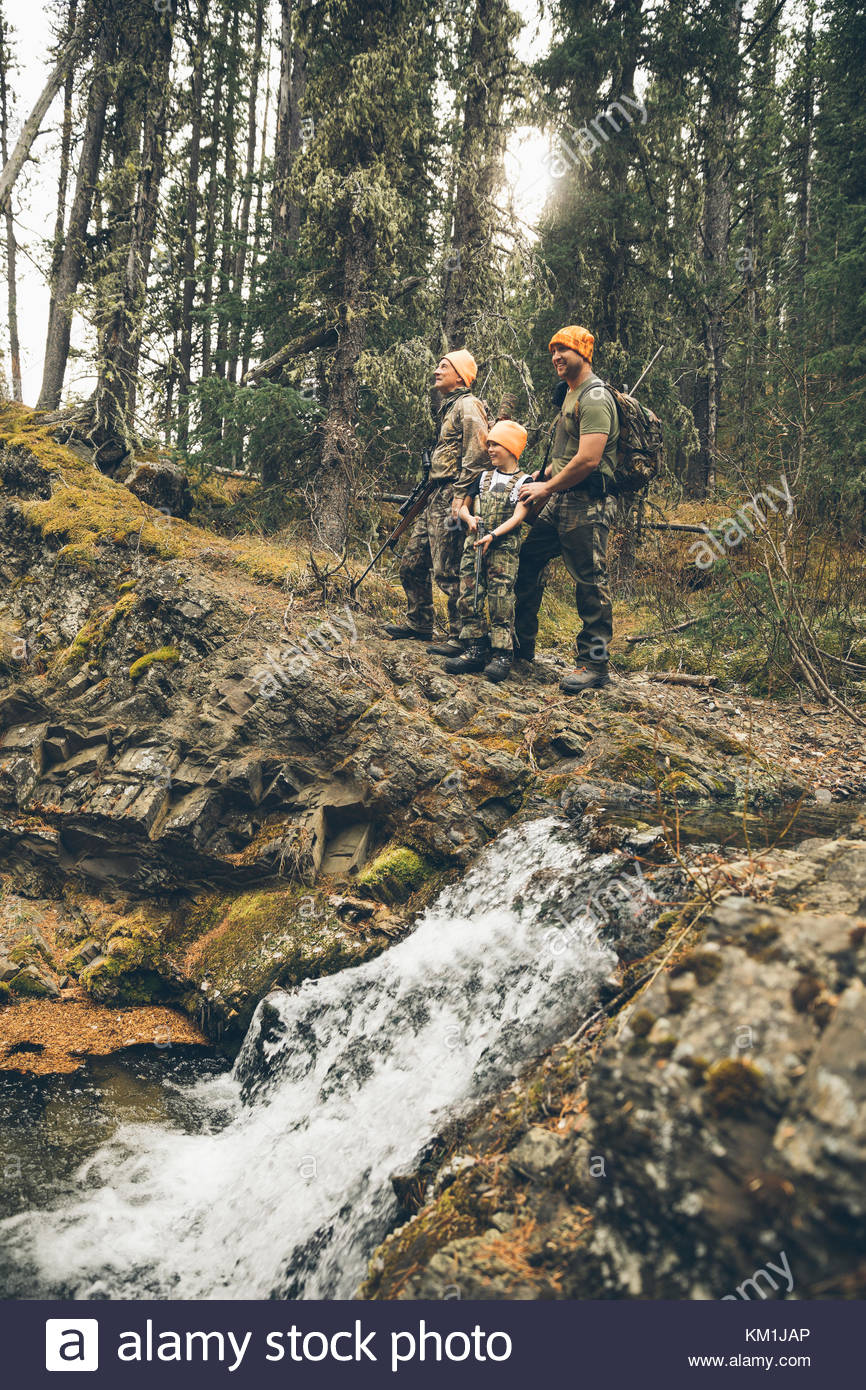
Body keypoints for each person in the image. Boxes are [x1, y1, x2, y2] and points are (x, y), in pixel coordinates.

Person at [515, 325, 618, 693]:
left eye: (564, 350)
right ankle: (520, 645)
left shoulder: (594, 397)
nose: (556, 357)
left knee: (590, 582)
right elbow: (565, 457)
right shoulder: (570, 396)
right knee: (526, 560)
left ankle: (595, 666)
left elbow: (588, 459)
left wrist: (547, 486)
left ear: (584, 354)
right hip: (560, 499)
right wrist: (538, 477)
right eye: (553, 350)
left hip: (587, 503)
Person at [383, 351, 489, 656]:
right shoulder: (451, 407)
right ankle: (419, 622)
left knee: (448, 569)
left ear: (461, 374)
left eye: (444, 367)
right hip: (435, 495)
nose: (436, 371)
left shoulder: (468, 406)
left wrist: (461, 497)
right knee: (413, 563)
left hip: (452, 497)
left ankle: (462, 636)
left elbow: (478, 454)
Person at [444, 420, 534, 683]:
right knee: (468, 594)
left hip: (502, 549)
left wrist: (494, 535)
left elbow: (519, 515)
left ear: (511, 448)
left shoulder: (523, 481)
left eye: (496, 444)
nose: (490, 449)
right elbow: (463, 506)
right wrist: (469, 519)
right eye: (490, 444)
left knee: (500, 598)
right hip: (474, 545)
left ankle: (502, 653)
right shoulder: (482, 477)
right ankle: (474, 647)